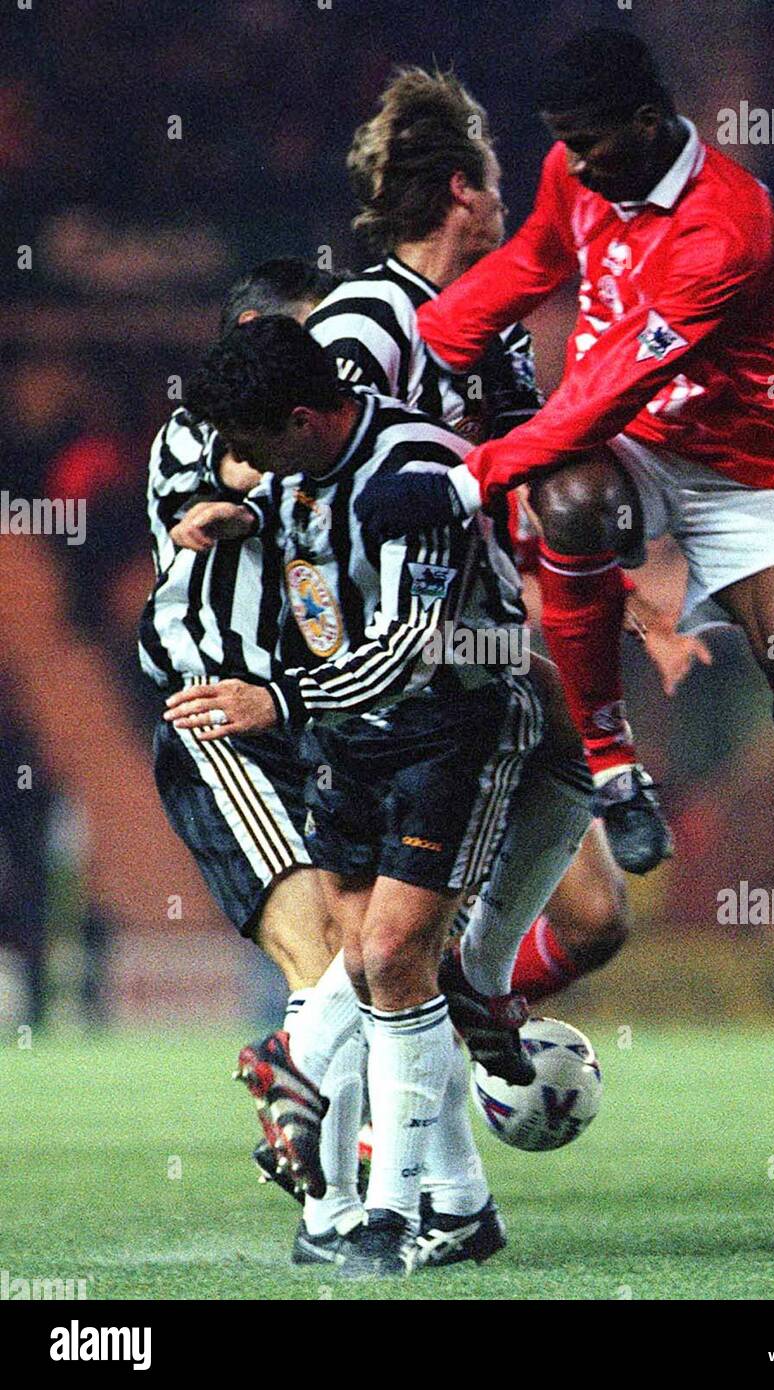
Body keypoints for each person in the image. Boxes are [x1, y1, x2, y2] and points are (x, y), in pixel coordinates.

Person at [356, 28, 774, 856]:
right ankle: (612, 768)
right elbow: (535, 261)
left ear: (645, 119)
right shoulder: (577, 168)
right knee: (571, 499)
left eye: (587, 143)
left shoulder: (727, 227)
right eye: (564, 144)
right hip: (621, 445)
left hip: (734, 466)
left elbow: (613, 383)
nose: (573, 163)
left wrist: (467, 481)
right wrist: (429, 336)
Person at [165, 316, 549, 1278]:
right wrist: (247, 516)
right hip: (351, 734)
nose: (240, 465)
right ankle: (458, 1208)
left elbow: (410, 650)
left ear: (301, 417)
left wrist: (278, 700)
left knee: (391, 952)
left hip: (450, 722)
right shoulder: (299, 464)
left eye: (251, 450)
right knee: (370, 963)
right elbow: (316, 538)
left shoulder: (411, 475)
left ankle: (383, 1210)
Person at [139, 258, 368, 1243]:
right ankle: (334, 1205)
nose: (315, 364)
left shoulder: (336, 458)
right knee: (323, 951)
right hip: (218, 724)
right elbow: (223, 482)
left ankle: (377, 1182)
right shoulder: (195, 432)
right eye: (295, 338)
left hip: (315, 723)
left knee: (371, 959)